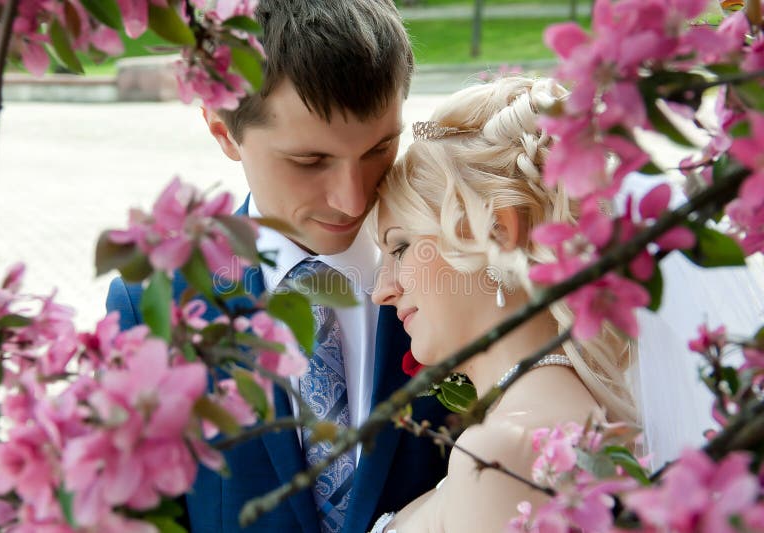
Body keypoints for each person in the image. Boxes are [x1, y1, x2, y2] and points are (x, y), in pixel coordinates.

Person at [106, 1, 448, 532]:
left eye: (382, 147)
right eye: (310, 161)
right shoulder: (152, 303)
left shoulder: (459, 270)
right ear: (223, 132)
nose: (352, 199)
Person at [368, 76, 637, 532]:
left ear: (498, 231)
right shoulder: (565, 414)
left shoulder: (505, 448)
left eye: (400, 248)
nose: (381, 290)